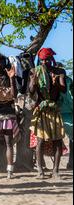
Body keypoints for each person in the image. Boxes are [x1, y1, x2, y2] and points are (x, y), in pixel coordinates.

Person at [29, 48, 66, 180]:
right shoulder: (35, 71)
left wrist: (56, 83)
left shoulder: (59, 72)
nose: (44, 62)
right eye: (42, 60)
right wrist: (34, 80)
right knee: (40, 140)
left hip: (54, 109)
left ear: (52, 59)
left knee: (57, 140)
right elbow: (31, 91)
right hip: (41, 109)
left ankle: (55, 170)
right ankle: (40, 171)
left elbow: (64, 90)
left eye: (47, 59)